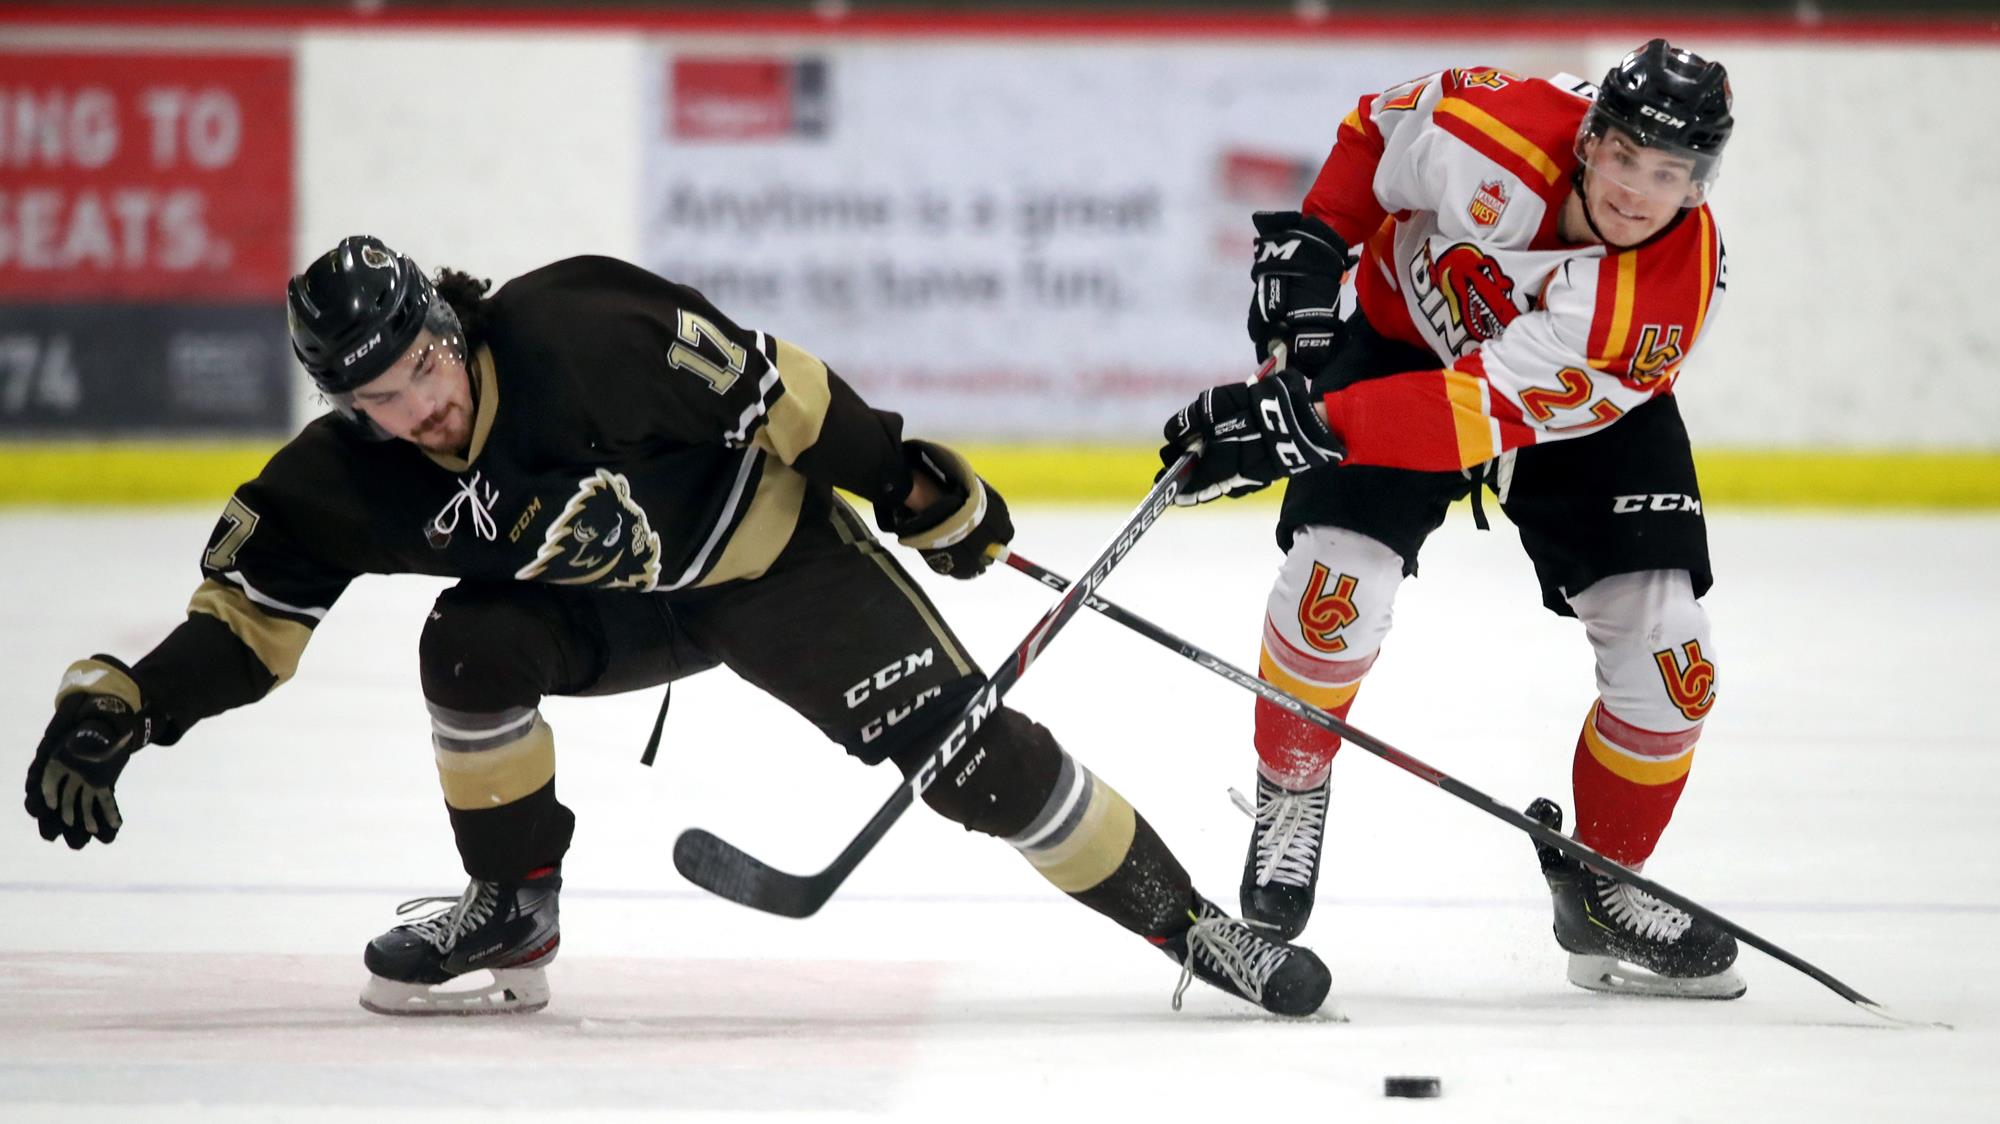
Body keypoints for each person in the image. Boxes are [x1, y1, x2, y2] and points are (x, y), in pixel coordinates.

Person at [24, 237, 1331, 1019]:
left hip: (771, 568)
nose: (415, 407)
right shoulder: (342, 482)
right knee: (466, 646)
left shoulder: (583, 333)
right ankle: (510, 906)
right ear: (341, 403)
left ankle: (1194, 923)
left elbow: (789, 396)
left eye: (422, 367)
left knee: (972, 762)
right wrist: (121, 706)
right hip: (604, 625)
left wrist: (917, 488)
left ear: (445, 321)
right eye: (378, 396)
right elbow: (243, 627)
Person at [1158, 40, 1743, 999]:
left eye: (1670, 172)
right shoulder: (1495, 127)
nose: (1640, 191)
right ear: (1591, 140)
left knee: (1672, 658)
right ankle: (1294, 785)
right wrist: (1319, 240)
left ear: (1698, 182)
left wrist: (1298, 429)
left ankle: (1605, 886)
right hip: (1398, 340)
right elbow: (1373, 129)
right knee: (1332, 589)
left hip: (1574, 414)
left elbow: (1471, 416)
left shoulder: (1655, 300)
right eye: (1627, 157)